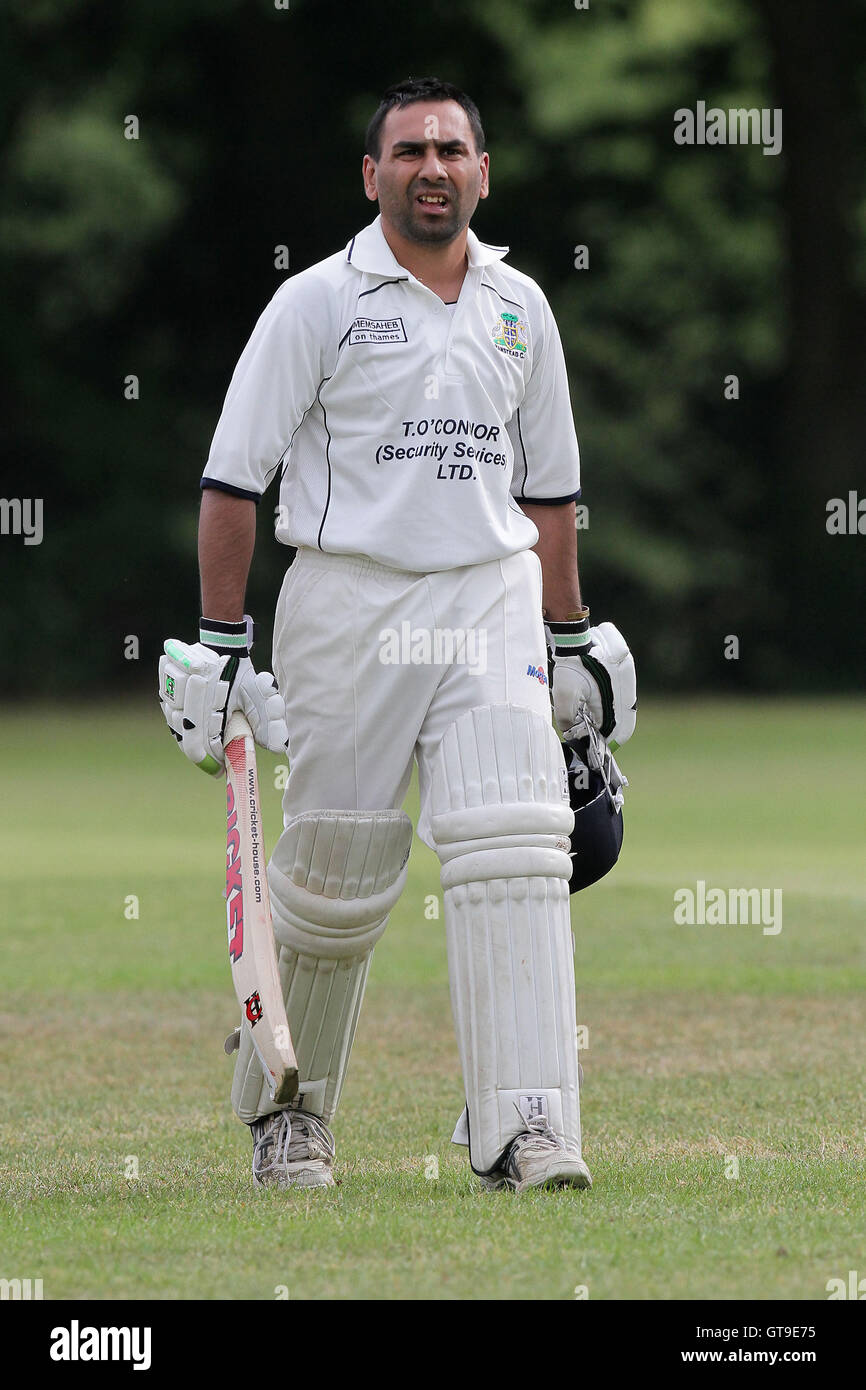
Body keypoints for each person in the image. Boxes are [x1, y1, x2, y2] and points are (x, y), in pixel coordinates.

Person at [158, 77, 636, 1193]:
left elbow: (551, 493)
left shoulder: (520, 304)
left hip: (488, 599)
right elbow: (233, 480)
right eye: (410, 151)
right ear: (372, 174)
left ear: (482, 173)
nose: (432, 167)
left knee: (515, 848)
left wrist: (569, 642)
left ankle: (526, 1125)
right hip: (350, 601)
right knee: (334, 870)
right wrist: (219, 641)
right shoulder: (316, 302)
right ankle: (290, 1114)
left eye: (451, 150)